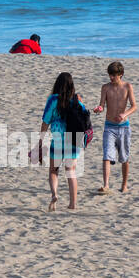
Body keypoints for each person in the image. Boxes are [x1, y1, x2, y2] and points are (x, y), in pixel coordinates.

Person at [38, 71, 86, 211]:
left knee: (54, 171)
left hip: (58, 138)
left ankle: (54, 194)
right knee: (71, 171)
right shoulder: (77, 99)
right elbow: (84, 119)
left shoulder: (53, 100)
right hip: (74, 138)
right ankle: (73, 204)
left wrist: (41, 140)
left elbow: (45, 121)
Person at [94, 60, 136, 194]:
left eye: (114, 75)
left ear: (121, 74)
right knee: (106, 155)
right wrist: (99, 108)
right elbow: (102, 105)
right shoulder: (105, 87)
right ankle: (106, 185)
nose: (111, 78)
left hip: (123, 127)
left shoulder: (127, 87)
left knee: (124, 157)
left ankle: (124, 185)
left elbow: (134, 106)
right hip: (109, 127)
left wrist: (124, 114)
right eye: (110, 75)